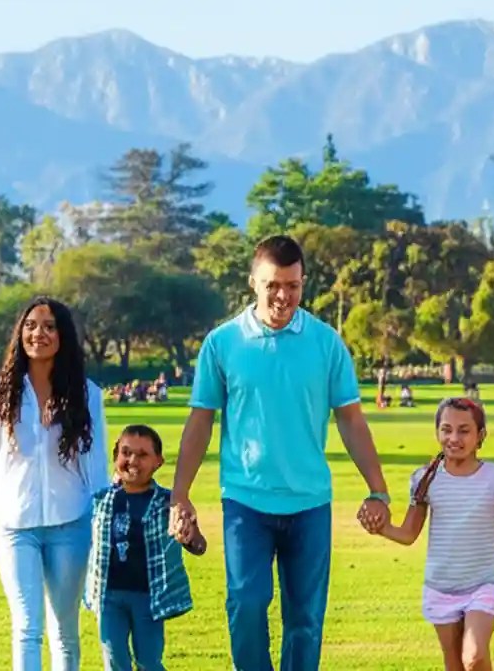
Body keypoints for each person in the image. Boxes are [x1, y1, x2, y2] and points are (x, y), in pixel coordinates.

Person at [167, 234, 391, 671]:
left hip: (309, 502)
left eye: (292, 285)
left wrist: (378, 490)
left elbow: (351, 420)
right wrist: (181, 494)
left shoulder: (326, 344)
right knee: (246, 605)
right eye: (273, 285)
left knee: (305, 621)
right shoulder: (223, 343)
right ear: (253, 282)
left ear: (303, 283)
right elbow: (200, 421)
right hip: (245, 501)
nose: (283, 296)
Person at [0, 296, 111, 671]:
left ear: (63, 335)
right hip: (16, 527)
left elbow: (97, 470)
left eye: (48, 326)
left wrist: (100, 532)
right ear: (19, 334)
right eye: (30, 326)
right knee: (26, 628)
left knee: (64, 631)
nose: (38, 334)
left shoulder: (87, 394)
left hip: (71, 525)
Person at [370, 397, 494, 671]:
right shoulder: (425, 479)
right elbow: (409, 533)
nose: (454, 438)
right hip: (440, 588)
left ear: (481, 435)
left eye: (464, 430)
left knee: (473, 656)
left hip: (483, 585)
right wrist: (381, 528)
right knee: (454, 664)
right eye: (446, 429)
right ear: (437, 432)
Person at [84, 424, 207, 670]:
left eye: (142, 455)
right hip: (108, 597)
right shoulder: (101, 500)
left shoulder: (168, 503)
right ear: (115, 455)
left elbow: (199, 546)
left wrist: (190, 535)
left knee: (148, 661)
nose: (132, 460)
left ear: (158, 462)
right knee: (114, 659)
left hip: (149, 599)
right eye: (126, 453)